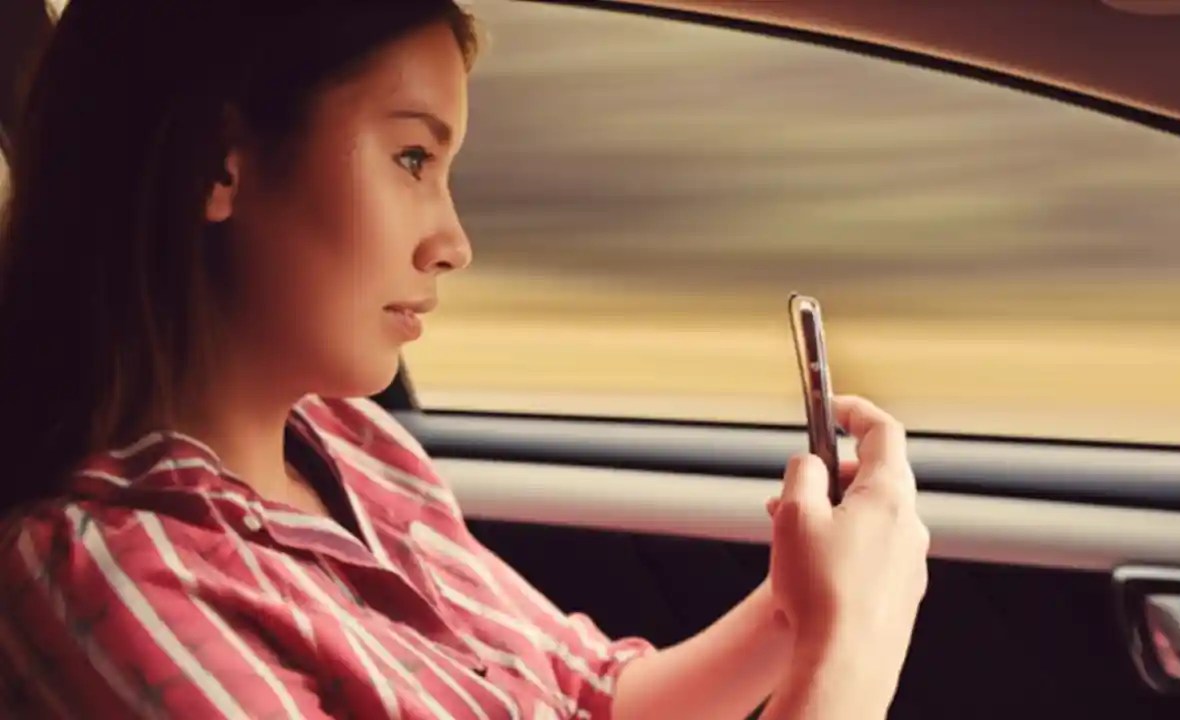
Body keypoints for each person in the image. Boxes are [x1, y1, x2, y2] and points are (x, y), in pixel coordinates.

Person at [0, 0, 930, 718]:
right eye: (411, 158)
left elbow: (589, 696)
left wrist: (798, 605)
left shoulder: (350, 443)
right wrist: (844, 665)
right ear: (220, 165)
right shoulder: (110, 581)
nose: (453, 241)